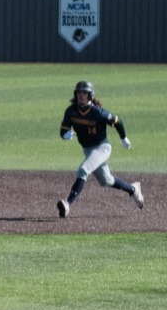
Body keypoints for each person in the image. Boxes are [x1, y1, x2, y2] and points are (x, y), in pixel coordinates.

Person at [56, 79, 144, 218]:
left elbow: (117, 121)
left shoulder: (98, 112)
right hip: (88, 150)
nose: (81, 95)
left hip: (102, 148)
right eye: (79, 92)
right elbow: (63, 131)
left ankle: (67, 204)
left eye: (85, 93)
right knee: (106, 181)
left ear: (90, 95)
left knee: (84, 169)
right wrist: (66, 135)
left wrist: (123, 138)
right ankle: (133, 189)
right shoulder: (71, 111)